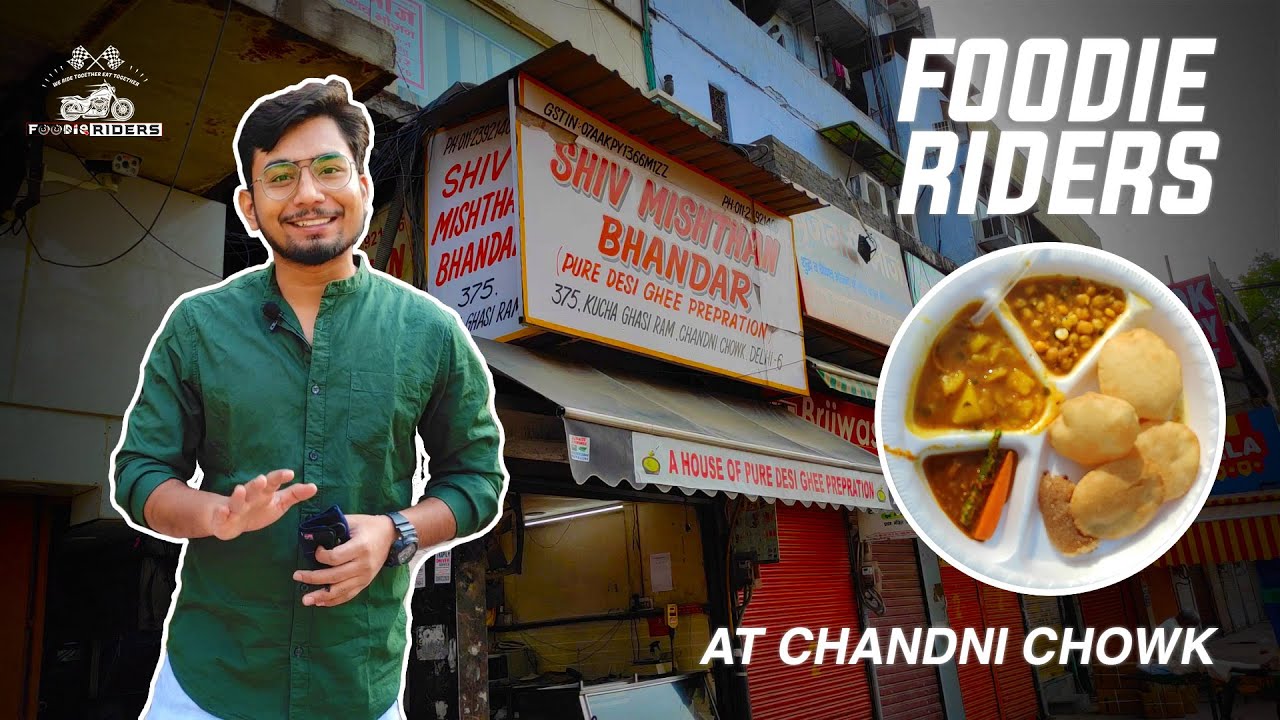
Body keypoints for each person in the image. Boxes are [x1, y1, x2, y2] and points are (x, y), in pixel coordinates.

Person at [110, 76, 507, 719]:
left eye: (329, 169)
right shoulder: (196, 327)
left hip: (358, 686)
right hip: (211, 684)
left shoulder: (431, 332)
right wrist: (216, 515)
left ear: (363, 186)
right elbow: (139, 474)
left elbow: (479, 480)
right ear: (247, 204)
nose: (309, 195)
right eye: (281, 176)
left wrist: (394, 531)